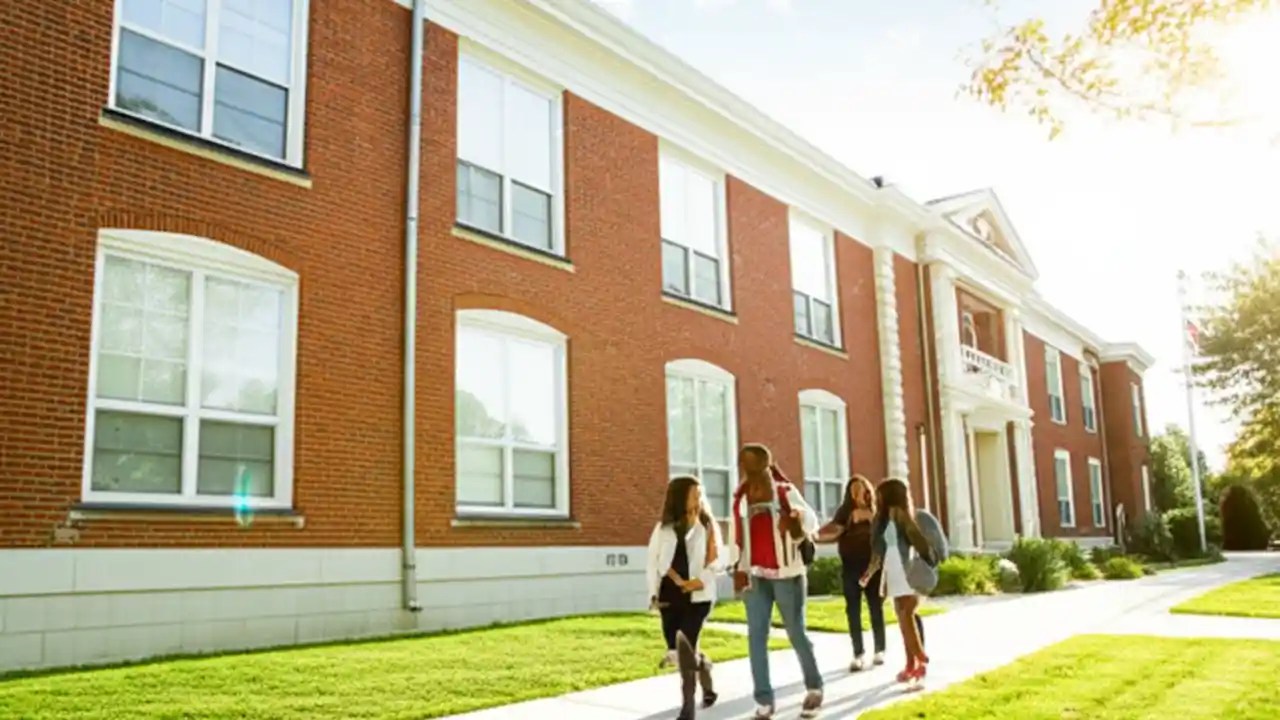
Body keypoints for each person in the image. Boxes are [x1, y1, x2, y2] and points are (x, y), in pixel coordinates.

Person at [726, 444, 823, 720]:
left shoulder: (784, 491)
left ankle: (814, 687)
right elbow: (735, 535)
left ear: (766, 466)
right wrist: (736, 568)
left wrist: (795, 518)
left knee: (795, 632)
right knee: (756, 637)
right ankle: (764, 700)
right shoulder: (741, 498)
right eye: (745, 467)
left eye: (754, 466)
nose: (750, 473)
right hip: (754, 575)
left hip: (787, 575)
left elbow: (811, 520)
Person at [646, 475, 724, 719]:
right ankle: (705, 667)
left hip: (698, 597)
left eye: (700, 494)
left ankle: (687, 707)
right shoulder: (663, 529)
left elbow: (717, 559)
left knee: (685, 648)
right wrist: (652, 594)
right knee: (682, 652)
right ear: (680, 498)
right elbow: (653, 563)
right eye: (694, 494)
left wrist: (702, 580)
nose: (699, 499)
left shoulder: (708, 526)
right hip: (670, 597)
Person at [860, 477, 948, 684]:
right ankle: (911, 664)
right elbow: (878, 552)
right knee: (902, 617)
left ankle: (920, 657)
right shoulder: (880, 522)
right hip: (893, 572)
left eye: (880, 496)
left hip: (915, 571)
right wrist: (869, 573)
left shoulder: (920, 517)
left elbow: (936, 551)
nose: (877, 500)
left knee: (906, 613)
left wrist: (906, 521)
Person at [815, 474, 886, 671]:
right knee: (852, 610)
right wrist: (811, 536)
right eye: (853, 490)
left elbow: (885, 534)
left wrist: (870, 518)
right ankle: (858, 654)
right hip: (850, 566)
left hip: (873, 567)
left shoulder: (877, 511)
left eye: (860, 488)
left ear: (867, 490)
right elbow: (833, 530)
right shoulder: (844, 512)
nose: (857, 493)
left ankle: (880, 649)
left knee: (875, 607)